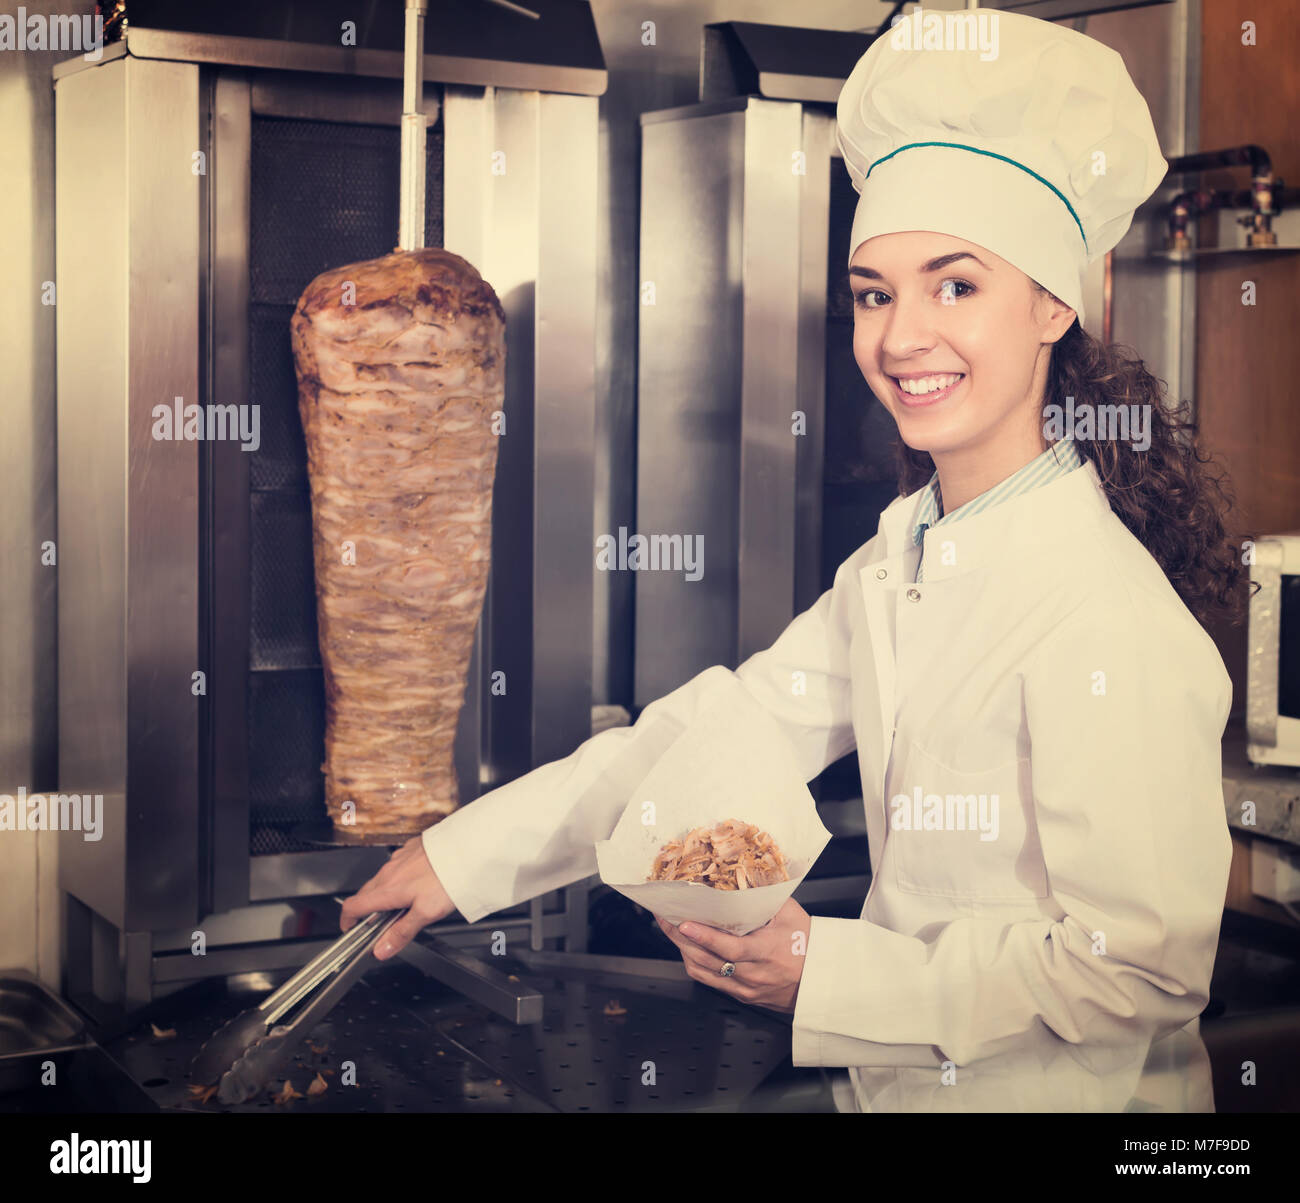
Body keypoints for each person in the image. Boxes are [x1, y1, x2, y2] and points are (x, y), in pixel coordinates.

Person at [340, 7, 1251, 1112]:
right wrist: (464, 859)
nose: (901, 336)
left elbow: (1138, 970)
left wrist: (831, 972)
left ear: (1053, 303)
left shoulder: (1103, 611)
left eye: (954, 285)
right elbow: (714, 733)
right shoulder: (904, 555)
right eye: (876, 292)